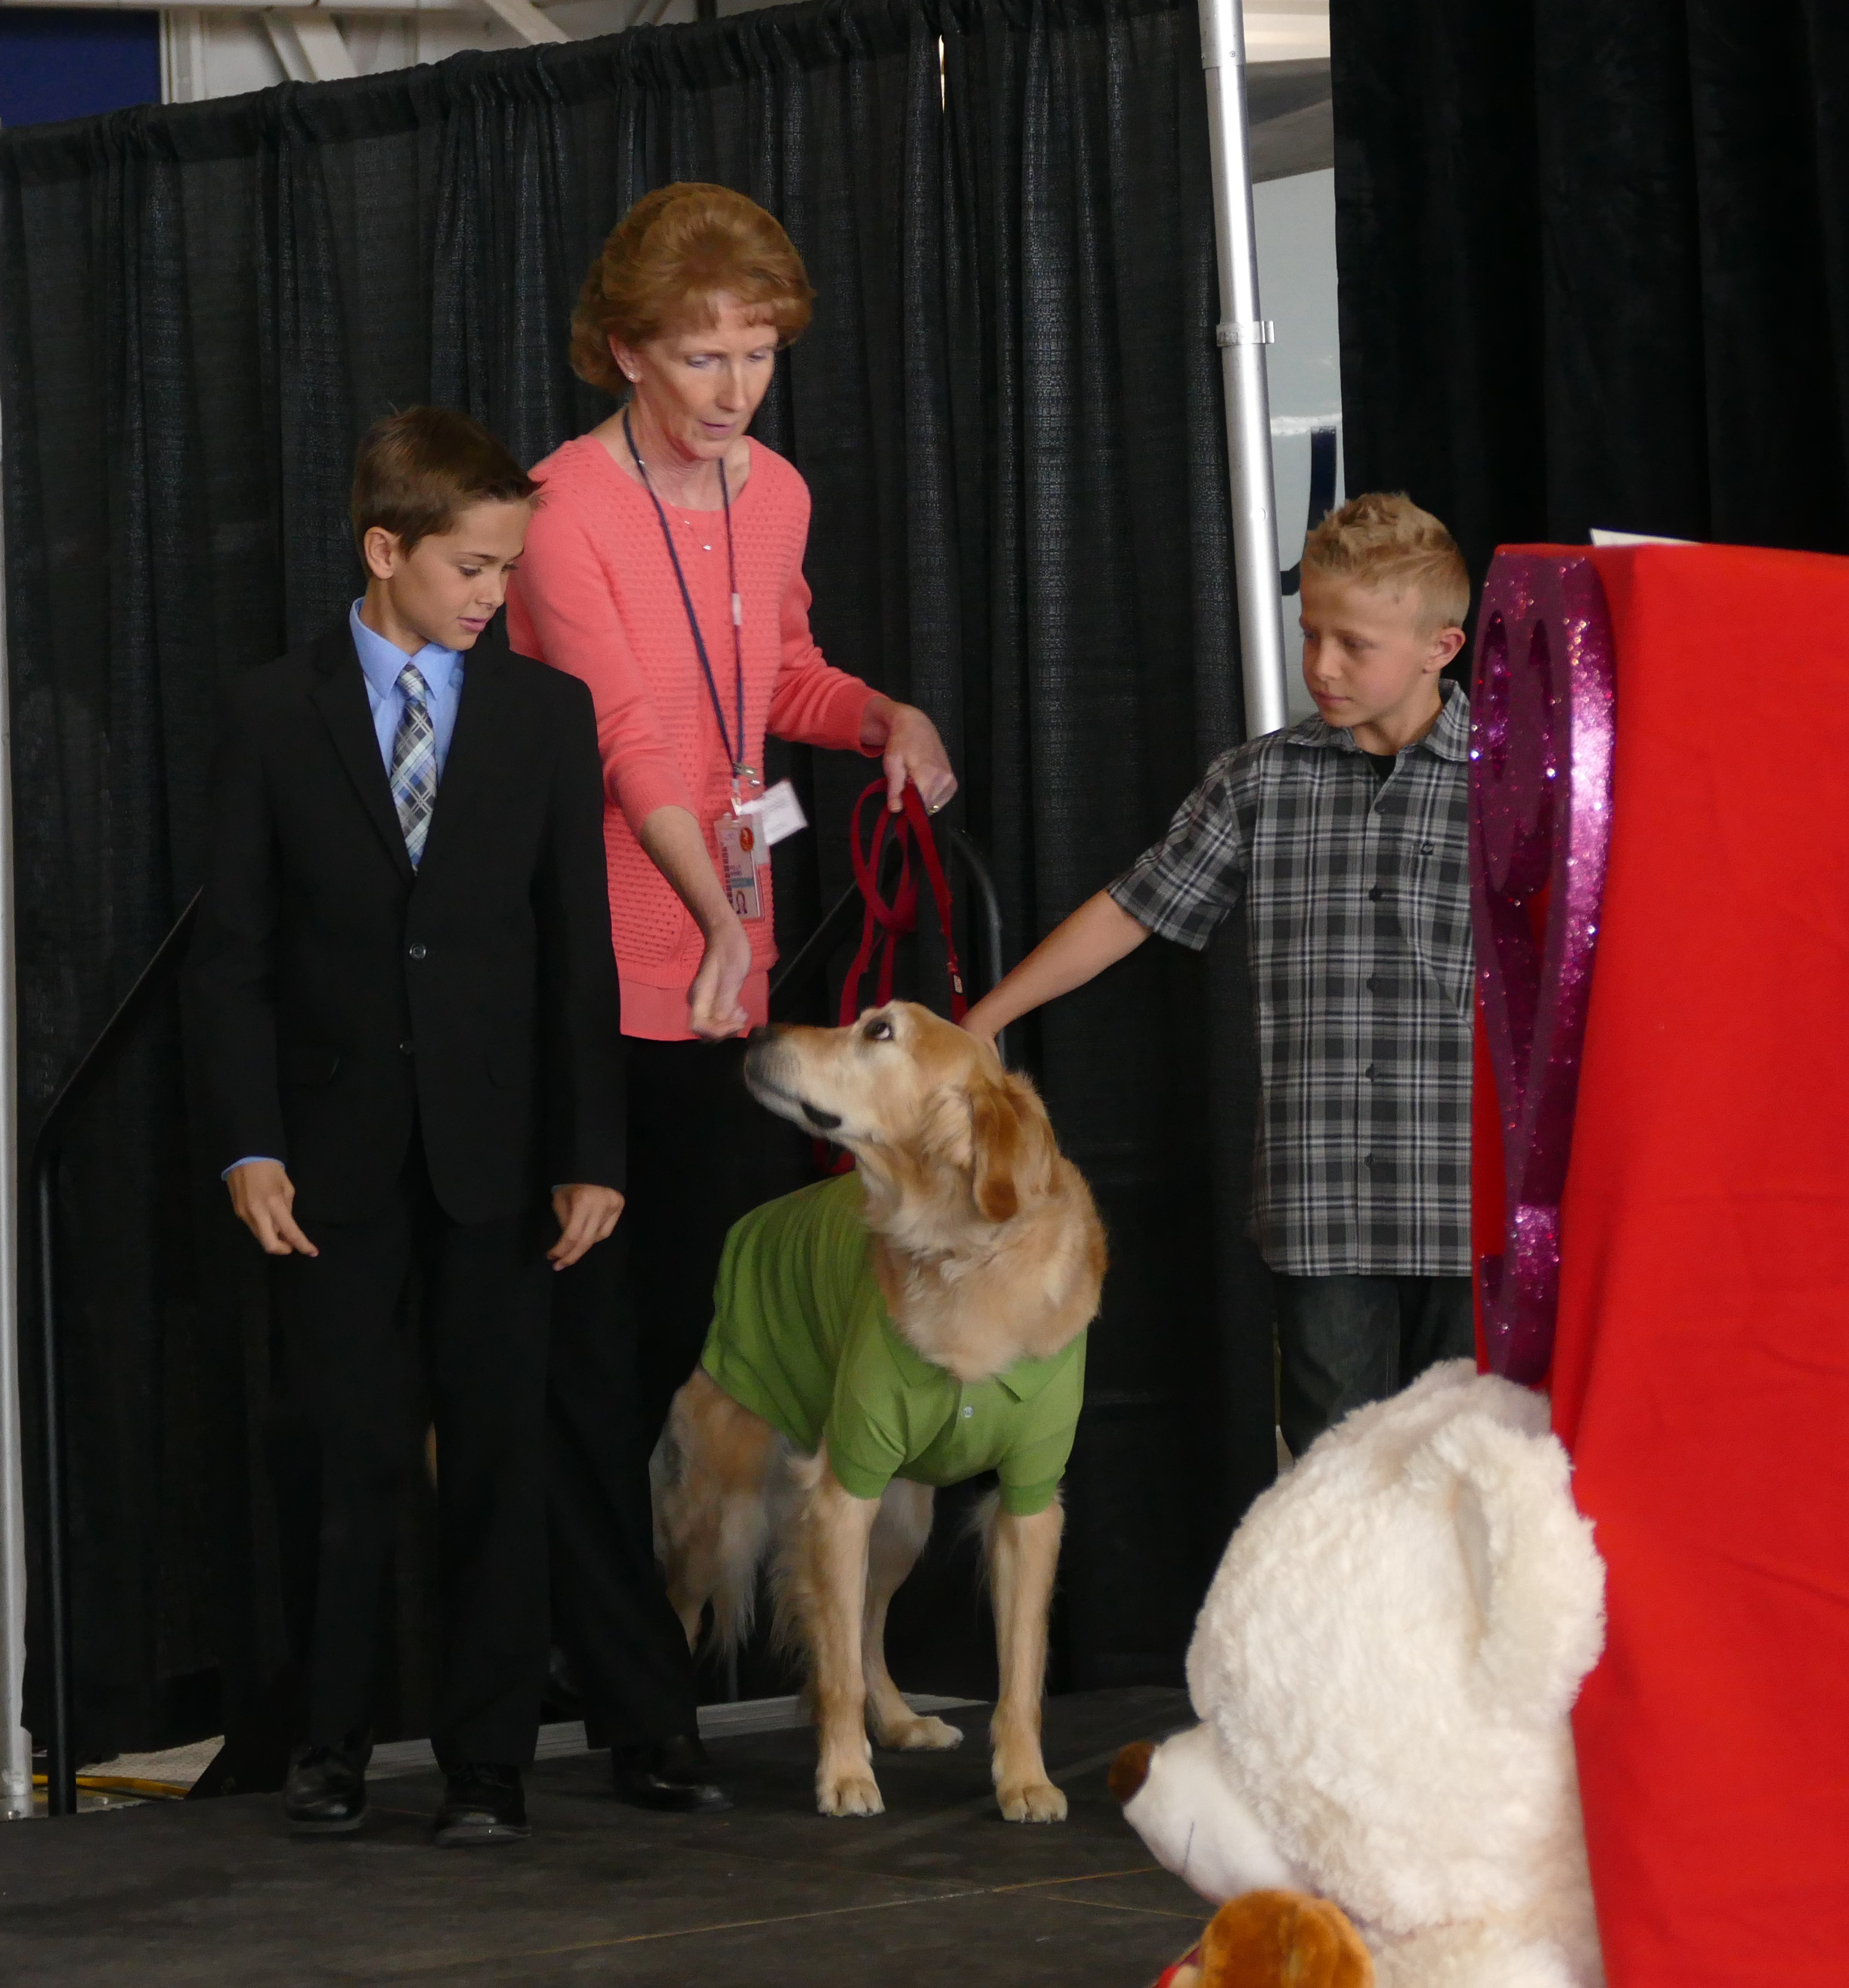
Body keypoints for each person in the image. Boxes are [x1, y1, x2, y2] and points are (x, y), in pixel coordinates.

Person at [506, 181, 958, 1813]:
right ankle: (632, 1704)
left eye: (754, 354)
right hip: (605, 967)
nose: (731, 388)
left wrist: (876, 716)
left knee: (701, 1344)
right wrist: (709, 918)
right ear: (623, 352)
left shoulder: (772, 495)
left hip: (723, 973)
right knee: (590, 1348)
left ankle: (621, 1654)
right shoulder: (562, 509)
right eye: (699, 357)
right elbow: (631, 736)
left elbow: (770, 679)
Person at [185, 407, 626, 1846]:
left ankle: (489, 1759)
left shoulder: (546, 716)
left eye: (510, 569)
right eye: (475, 569)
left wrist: (591, 1149)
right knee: (347, 1449)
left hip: (499, 1158)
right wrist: (250, 1142)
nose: (498, 596)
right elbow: (235, 952)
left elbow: (578, 952)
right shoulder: (269, 711)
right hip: (332, 1159)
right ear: (386, 550)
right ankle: (329, 1744)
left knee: (499, 1451)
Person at [962, 492, 1474, 1459]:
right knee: (1335, 1468)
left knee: (1475, 1463)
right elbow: (1132, 907)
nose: (1319, 665)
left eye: (1352, 644)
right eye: (1308, 632)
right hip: (1323, 1201)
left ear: (1439, 646)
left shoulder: (1517, 778)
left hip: (1470, 1191)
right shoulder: (1256, 782)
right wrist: (988, 1013)